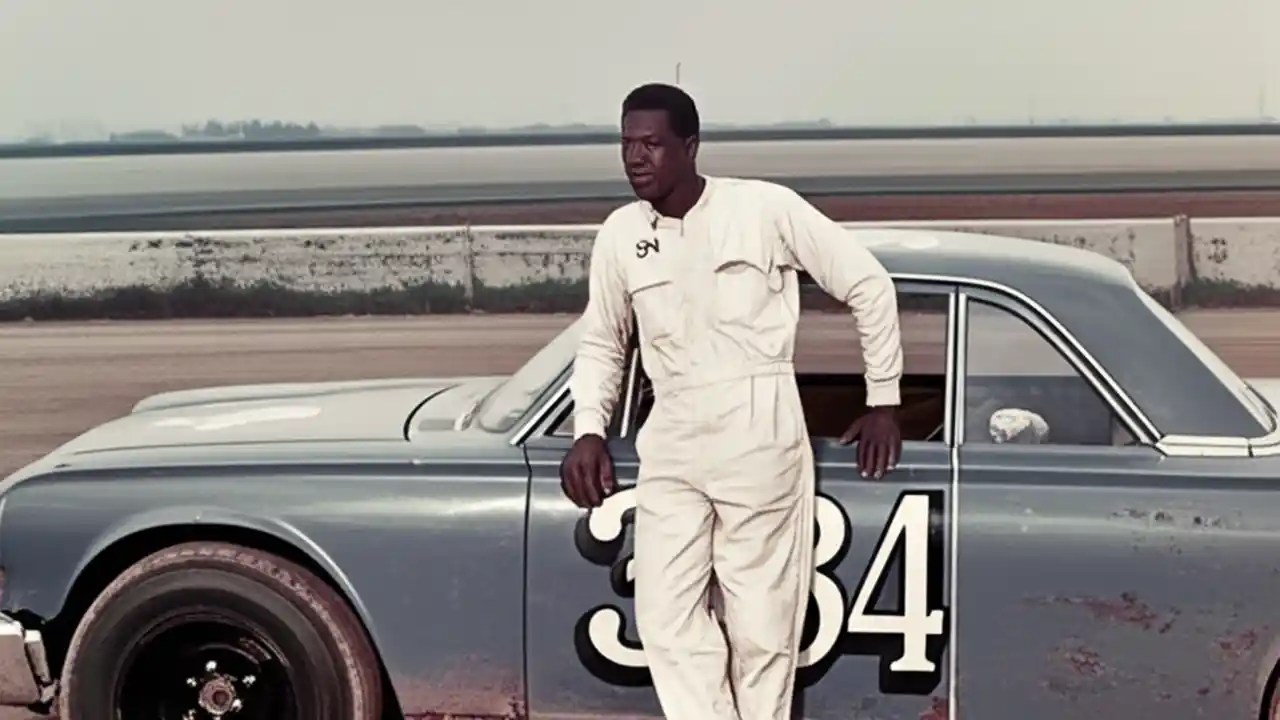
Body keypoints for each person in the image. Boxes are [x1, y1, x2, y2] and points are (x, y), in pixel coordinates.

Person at [561, 83, 904, 720]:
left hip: (759, 423)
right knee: (664, 618)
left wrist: (883, 399)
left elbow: (868, 284)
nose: (636, 158)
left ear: (690, 147)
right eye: (627, 143)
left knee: (762, 629)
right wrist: (589, 429)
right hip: (671, 429)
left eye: (653, 144)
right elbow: (603, 339)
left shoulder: (764, 209)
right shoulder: (619, 234)